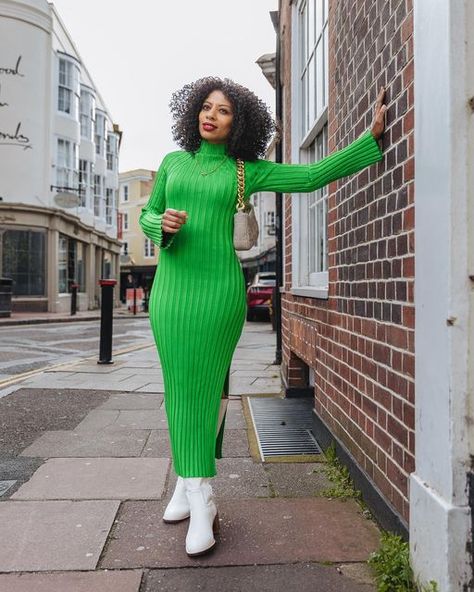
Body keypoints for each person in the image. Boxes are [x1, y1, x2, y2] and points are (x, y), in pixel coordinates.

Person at [139, 76, 387, 557]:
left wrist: (367, 141)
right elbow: (150, 213)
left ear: (239, 122)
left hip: (218, 293)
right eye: (205, 107)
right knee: (178, 388)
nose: (210, 115)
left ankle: (201, 493)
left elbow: (309, 177)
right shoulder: (173, 163)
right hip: (170, 292)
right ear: (193, 112)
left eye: (223, 110)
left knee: (205, 386)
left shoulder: (244, 170)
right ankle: (188, 481)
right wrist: (159, 223)